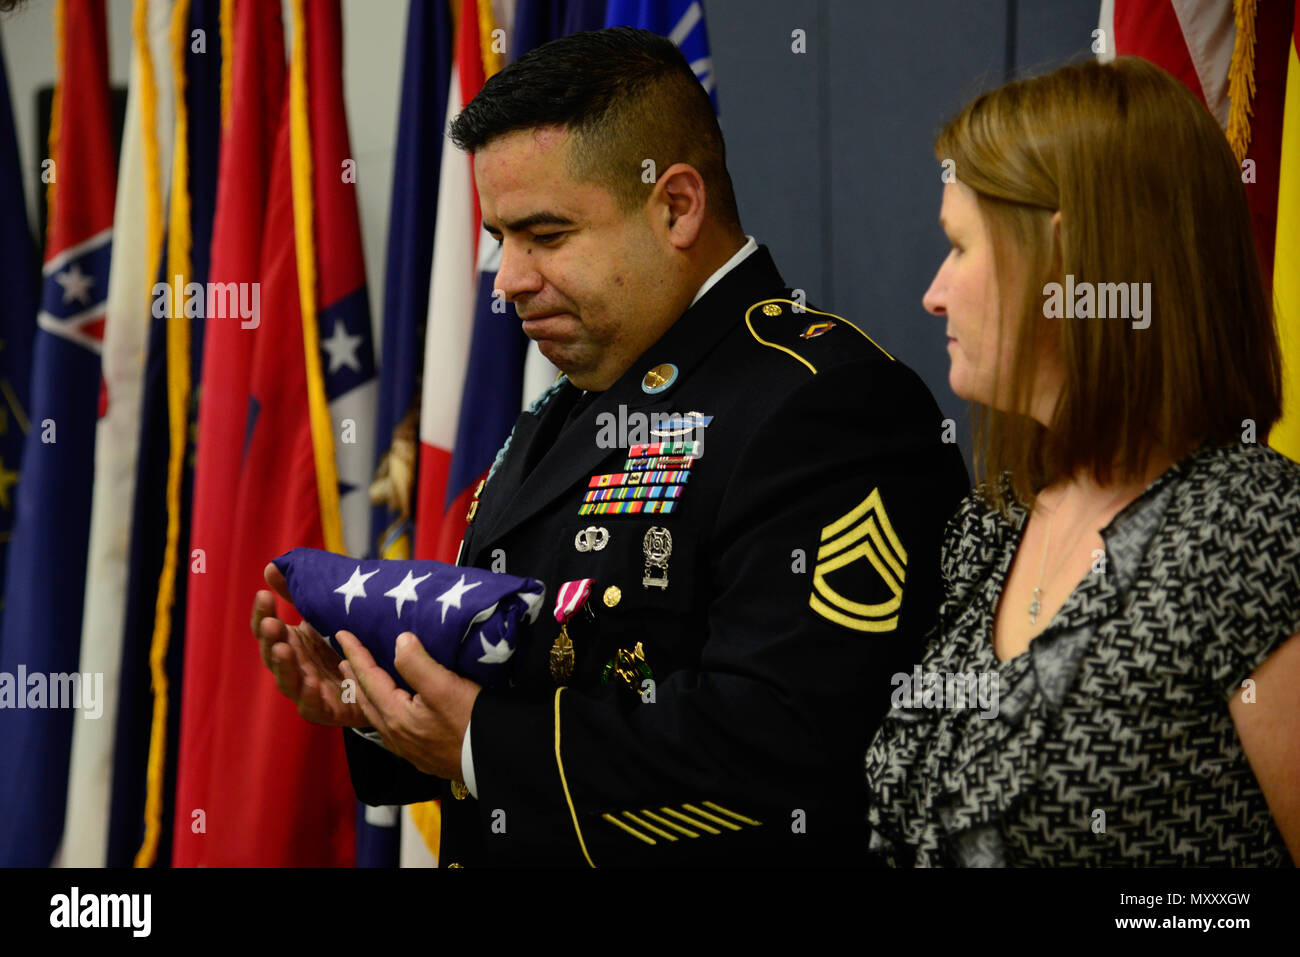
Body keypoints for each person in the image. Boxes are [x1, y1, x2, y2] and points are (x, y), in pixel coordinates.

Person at [253, 26, 968, 866]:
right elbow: (535, 671)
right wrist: (388, 709)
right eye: (500, 241)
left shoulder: (823, 400)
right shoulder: (568, 401)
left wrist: (482, 741)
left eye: (546, 236)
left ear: (676, 206)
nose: (510, 278)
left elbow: (787, 744)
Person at [864, 56, 1300, 866]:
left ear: (1066, 261)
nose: (933, 292)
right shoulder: (992, 521)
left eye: (959, 247)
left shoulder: (1254, 532)